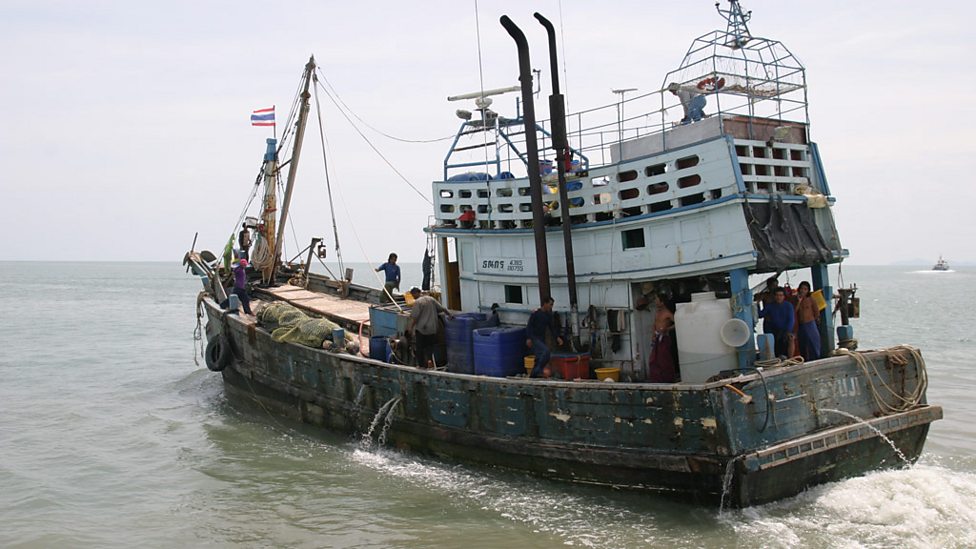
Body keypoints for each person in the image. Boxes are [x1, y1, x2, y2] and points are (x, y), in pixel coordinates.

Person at [407, 287, 451, 368]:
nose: (413, 297)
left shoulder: (418, 302)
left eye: (413, 295)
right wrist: (450, 315)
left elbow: (414, 317)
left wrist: (410, 328)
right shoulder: (431, 299)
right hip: (433, 329)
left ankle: (421, 366)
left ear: (416, 293)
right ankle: (430, 362)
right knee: (429, 348)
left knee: (420, 348)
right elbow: (443, 309)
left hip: (422, 330)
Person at [526, 297, 563, 378]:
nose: (551, 307)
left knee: (539, 357)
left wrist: (557, 337)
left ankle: (533, 375)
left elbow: (552, 328)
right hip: (534, 337)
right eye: (550, 304)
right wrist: (528, 338)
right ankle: (538, 371)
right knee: (545, 351)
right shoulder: (536, 313)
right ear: (545, 304)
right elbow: (529, 326)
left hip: (541, 338)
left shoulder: (548, 315)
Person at [647, 293, 679, 383]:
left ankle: (668, 378)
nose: (655, 302)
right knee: (654, 359)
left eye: (657, 300)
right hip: (657, 338)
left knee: (664, 359)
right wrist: (653, 335)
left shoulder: (667, 313)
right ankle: (656, 379)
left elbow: (677, 322)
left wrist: (667, 329)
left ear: (662, 302)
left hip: (664, 337)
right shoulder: (657, 312)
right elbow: (654, 324)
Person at [758, 287, 795, 358]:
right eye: (777, 295)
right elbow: (760, 314)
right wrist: (757, 304)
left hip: (785, 331)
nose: (779, 297)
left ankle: (790, 359)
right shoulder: (770, 306)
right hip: (774, 331)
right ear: (774, 296)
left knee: (790, 339)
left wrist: (788, 331)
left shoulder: (788, 305)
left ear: (784, 296)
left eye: (781, 295)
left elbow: (791, 320)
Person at [794, 281, 821, 362]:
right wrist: (799, 301)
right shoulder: (796, 299)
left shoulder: (811, 299)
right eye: (802, 288)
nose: (803, 291)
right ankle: (805, 358)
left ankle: (816, 357)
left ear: (808, 290)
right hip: (801, 325)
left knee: (813, 342)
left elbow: (816, 311)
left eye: (805, 289)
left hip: (810, 323)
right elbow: (795, 311)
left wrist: (815, 319)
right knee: (803, 343)